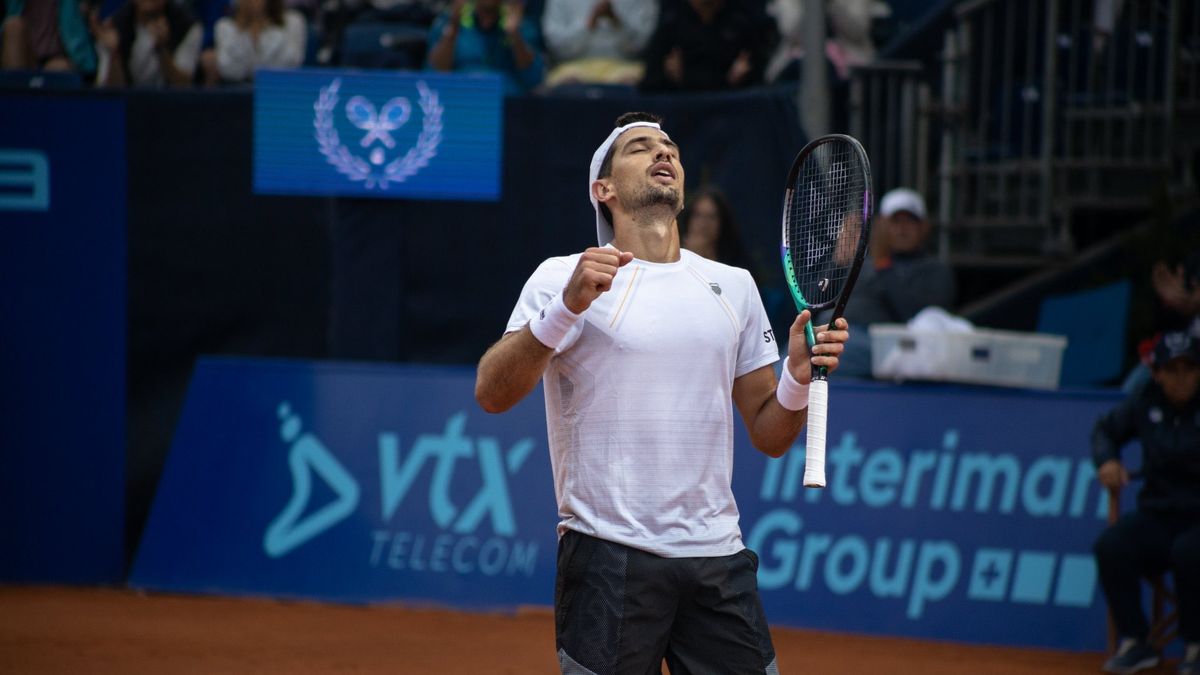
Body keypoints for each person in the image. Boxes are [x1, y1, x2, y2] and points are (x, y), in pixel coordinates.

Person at [474, 111, 849, 673]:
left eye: (669, 146)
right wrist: (564, 311)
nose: (663, 153)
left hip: (718, 559)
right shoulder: (563, 277)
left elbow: (770, 435)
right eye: (640, 148)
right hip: (607, 555)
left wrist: (797, 377)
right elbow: (492, 392)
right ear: (604, 190)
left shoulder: (734, 286)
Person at [1093, 330, 1200, 675]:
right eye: (1173, 370)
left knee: (1189, 552)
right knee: (1112, 545)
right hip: (1159, 514)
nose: (1182, 379)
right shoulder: (1144, 401)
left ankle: (1196, 647)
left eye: (1190, 369)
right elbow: (1105, 431)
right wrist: (1107, 460)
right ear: (1157, 373)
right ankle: (1136, 641)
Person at [836, 186, 955, 377]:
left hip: (882, 345)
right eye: (895, 221)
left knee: (817, 357)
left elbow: (924, 319)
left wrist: (883, 263)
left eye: (910, 221)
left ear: (923, 227)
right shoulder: (859, 262)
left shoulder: (934, 269)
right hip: (830, 334)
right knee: (793, 356)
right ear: (882, 226)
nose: (902, 229)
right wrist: (837, 264)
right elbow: (815, 304)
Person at [639, 0, 776, 92]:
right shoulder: (671, 15)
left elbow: (759, 81)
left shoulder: (748, 16)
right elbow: (651, 83)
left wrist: (739, 80)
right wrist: (671, 78)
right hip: (680, 111)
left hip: (734, 113)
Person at [426, 0, 544, 95]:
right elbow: (433, 76)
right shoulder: (451, 20)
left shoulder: (521, 24)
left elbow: (534, 80)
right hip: (459, 104)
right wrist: (453, 28)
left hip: (508, 106)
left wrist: (515, 34)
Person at [540, 0, 657, 87]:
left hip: (626, 67)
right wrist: (590, 23)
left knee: (637, 86)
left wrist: (616, 21)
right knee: (567, 87)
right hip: (572, 67)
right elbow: (556, 47)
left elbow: (643, 46)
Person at [91, 0, 203, 87]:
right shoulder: (113, 26)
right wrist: (115, 54)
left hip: (172, 107)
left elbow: (184, 86)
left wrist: (162, 50)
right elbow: (110, 94)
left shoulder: (188, 27)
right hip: (127, 108)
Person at [202, 0, 306, 84]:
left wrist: (264, 29)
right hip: (237, 94)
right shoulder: (224, 26)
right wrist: (244, 31)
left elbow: (291, 63)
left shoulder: (293, 22)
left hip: (280, 91)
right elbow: (228, 69)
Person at [2, 0, 97, 76]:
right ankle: (13, 97)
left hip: (59, 58)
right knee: (13, 27)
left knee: (58, 69)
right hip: (23, 59)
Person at [678, 185, 754, 271]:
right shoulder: (673, 258)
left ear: (722, 222)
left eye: (711, 217)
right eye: (697, 215)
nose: (703, 224)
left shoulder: (737, 264)